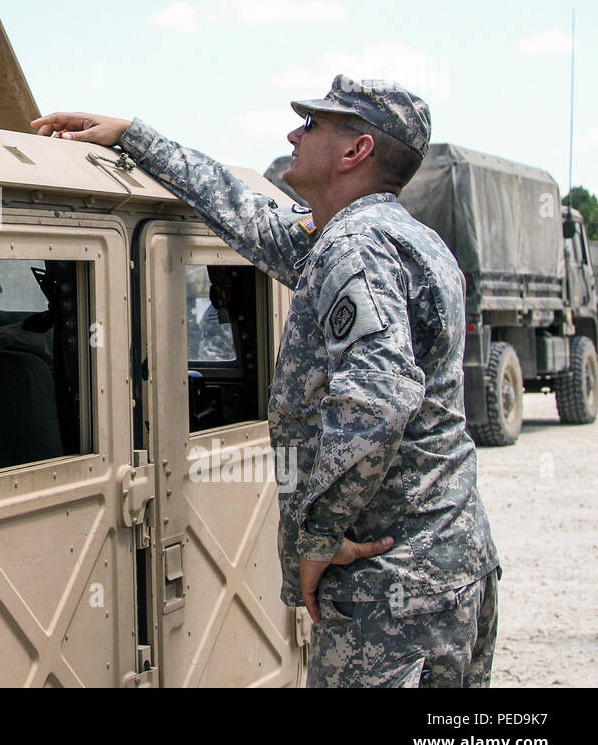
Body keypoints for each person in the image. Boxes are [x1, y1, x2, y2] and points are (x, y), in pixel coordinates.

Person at [32, 75, 501, 688]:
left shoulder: (355, 248)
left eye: (310, 126)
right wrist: (134, 138)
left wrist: (319, 536)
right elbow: (248, 217)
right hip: (457, 563)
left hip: (391, 586)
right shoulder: (410, 240)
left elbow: (379, 398)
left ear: (354, 152)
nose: (292, 135)